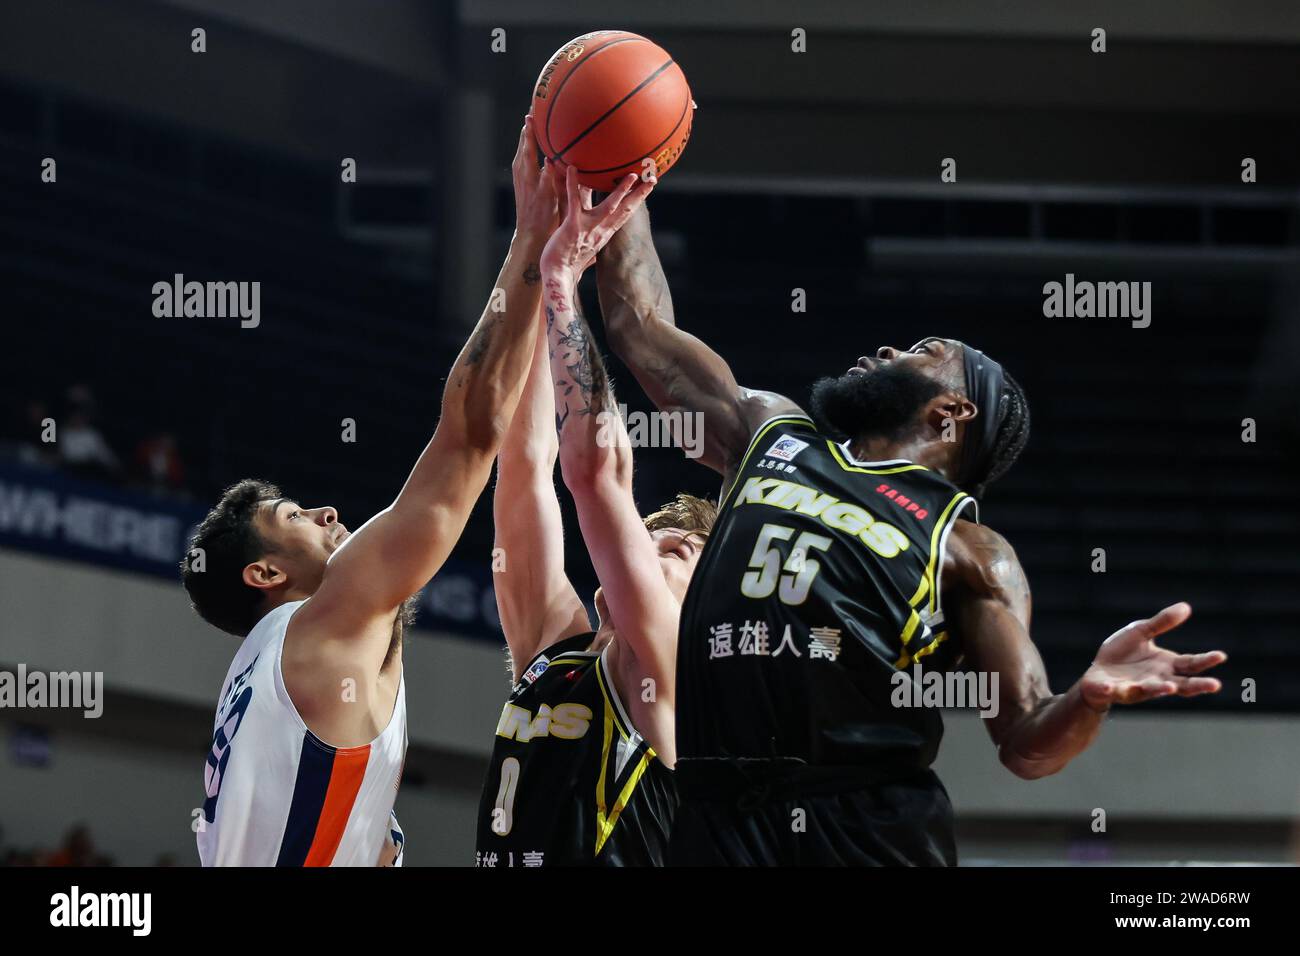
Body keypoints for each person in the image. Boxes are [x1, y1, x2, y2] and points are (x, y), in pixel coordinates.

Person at [593, 204, 1228, 866]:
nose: (892, 350)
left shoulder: (970, 550)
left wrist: (1090, 698)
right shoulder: (769, 433)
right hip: (716, 815)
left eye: (925, 354)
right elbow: (639, 327)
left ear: (951, 411)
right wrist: (629, 183)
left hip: (862, 830)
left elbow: (1024, 741)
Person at [184, 117, 561, 866]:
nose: (327, 511)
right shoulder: (316, 629)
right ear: (265, 574)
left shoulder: (282, 681)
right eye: (294, 516)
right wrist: (536, 242)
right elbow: (467, 435)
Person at [476, 166, 699, 866]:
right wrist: (535, 247)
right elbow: (525, 461)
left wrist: (565, 286)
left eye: (677, 551)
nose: (648, 543)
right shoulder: (554, 647)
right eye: (651, 530)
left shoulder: (671, 676)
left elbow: (596, 469)